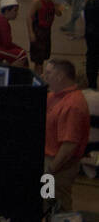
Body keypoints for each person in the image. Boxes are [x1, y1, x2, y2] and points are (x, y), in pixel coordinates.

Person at [43, 59, 90, 211]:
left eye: (49, 73)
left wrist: (51, 169)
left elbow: (69, 145)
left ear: (60, 76)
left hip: (57, 167)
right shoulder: (54, 96)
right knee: (46, 204)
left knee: (56, 208)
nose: (44, 76)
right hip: (50, 162)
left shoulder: (73, 105)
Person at [27, 0, 63, 75]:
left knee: (43, 57)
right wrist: (31, 33)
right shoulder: (37, 2)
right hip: (39, 31)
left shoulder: (50, 1)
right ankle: (38, 78)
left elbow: (59, 13)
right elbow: (29, 17)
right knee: (39, 61)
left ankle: (38, 77)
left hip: (47, 31)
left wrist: (57, 6)